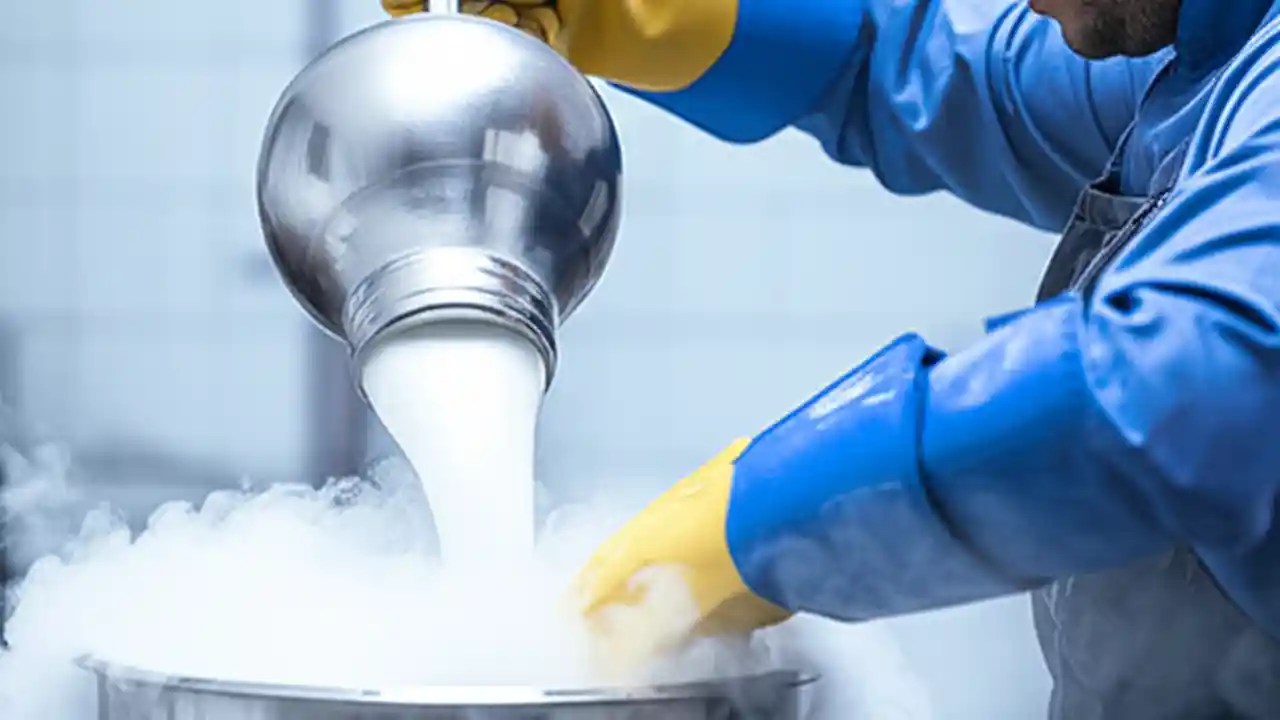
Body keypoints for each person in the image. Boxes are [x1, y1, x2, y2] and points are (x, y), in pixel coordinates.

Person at [384, 1, 1280, 717]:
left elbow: (1184, 382)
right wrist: (640, 11)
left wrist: (751, 530)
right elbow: (923, 68)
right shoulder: (1213, 55)